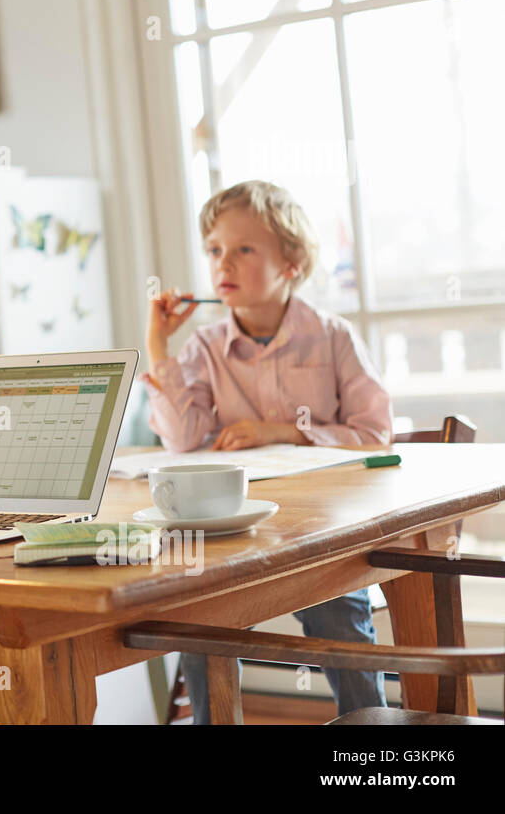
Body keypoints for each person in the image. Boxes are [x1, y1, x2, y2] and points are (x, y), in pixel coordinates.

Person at [140, 180, 391, 724]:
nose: (222, 263)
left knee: (339, 614)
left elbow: (374, 433)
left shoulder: (333, 338)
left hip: (321, 534)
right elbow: (183, 439)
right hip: (234, 536)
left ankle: (376, 742)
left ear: (292, 263)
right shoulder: (205, 348)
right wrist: (159, 344)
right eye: (214, 250)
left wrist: (285, 431)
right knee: (200, 622)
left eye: (243, 249)